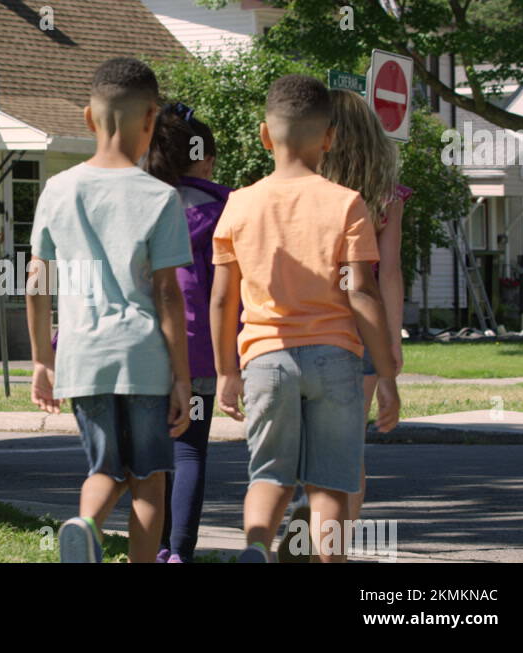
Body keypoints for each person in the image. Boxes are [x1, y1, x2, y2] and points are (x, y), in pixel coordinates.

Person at [210, 74, 401, 563]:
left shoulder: (238, 203)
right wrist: (385, 374)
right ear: (329, 138)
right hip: (335, 358)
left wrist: (226, 372)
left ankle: (256, 547)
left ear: (264, 135)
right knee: (330, 485)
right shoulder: (347, 203)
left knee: (269, 476)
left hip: (265, 358)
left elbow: (221, 300)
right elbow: (362, 292)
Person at [26, 57, 194, 563]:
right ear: (150, 121)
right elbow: (167, 293)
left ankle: (84, 523)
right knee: (148, 482)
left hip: (83, 355)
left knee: (104, 469)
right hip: (143, 357)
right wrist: (182, 379)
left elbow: (37, 283)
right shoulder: (161, 198)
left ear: (87, 117)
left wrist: (42, 358)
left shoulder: (57, 190)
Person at [144, 103, 232, 563]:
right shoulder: (224, 210)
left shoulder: (136, 205)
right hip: (198, 350)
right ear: (202, 158)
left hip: (142, 348)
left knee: (149, 459)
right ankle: (178, 553)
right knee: (189, 452)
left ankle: (150, 545)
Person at [319, 89, 412, 523]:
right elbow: (389, 275)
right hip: (363, 328)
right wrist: (391, 351)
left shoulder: (305, 190)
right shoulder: (386, 197)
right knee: (348, 451)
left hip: (307, 321)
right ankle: (334, 547)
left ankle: (310, 530)